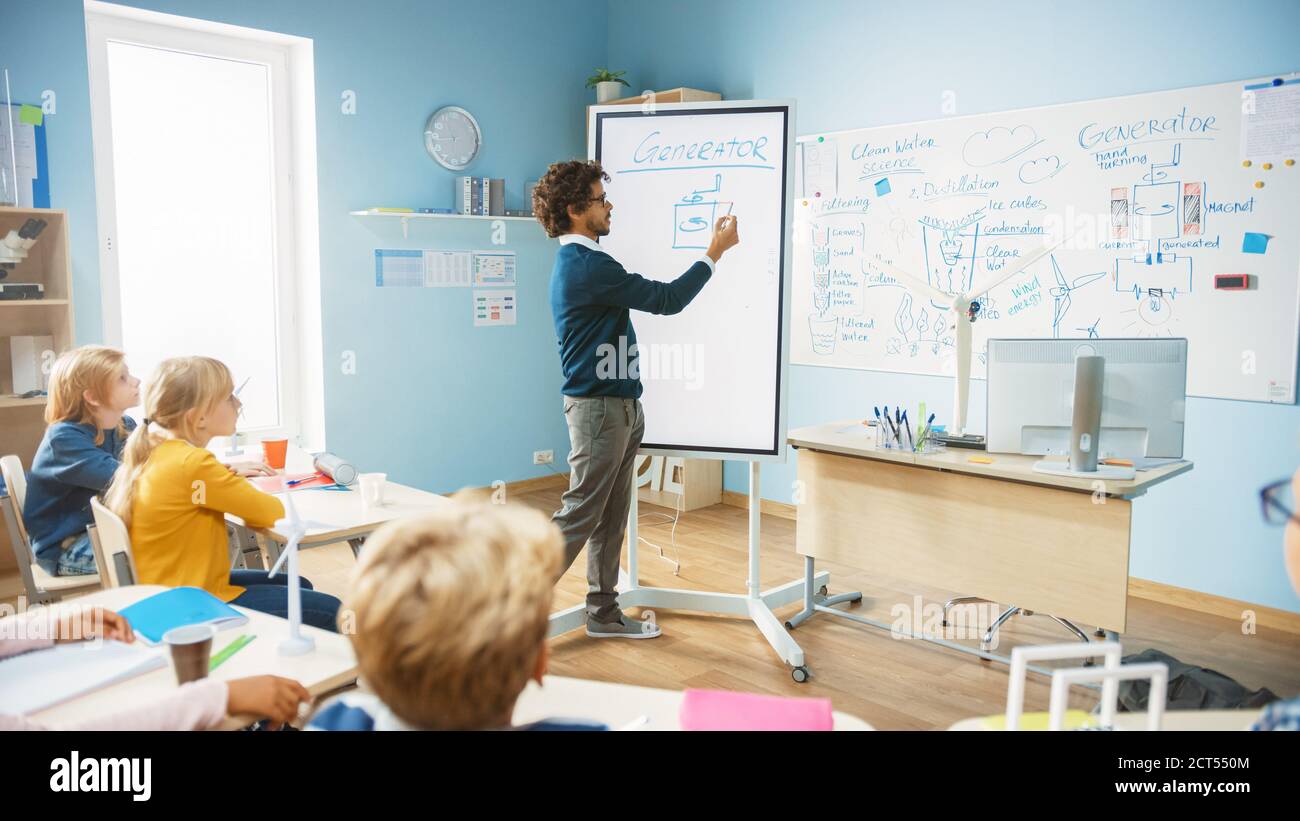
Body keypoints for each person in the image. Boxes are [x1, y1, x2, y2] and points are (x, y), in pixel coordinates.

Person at [532, 159, 739, 638]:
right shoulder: (588, 266)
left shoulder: (584, 263)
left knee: (609, 514)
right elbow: (667, 299)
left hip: (620, 406)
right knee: (580, 512)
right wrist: (714, 252)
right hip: (600, 412)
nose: (609, 207)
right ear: (575, 210)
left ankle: (603, 612)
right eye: (601, 199)